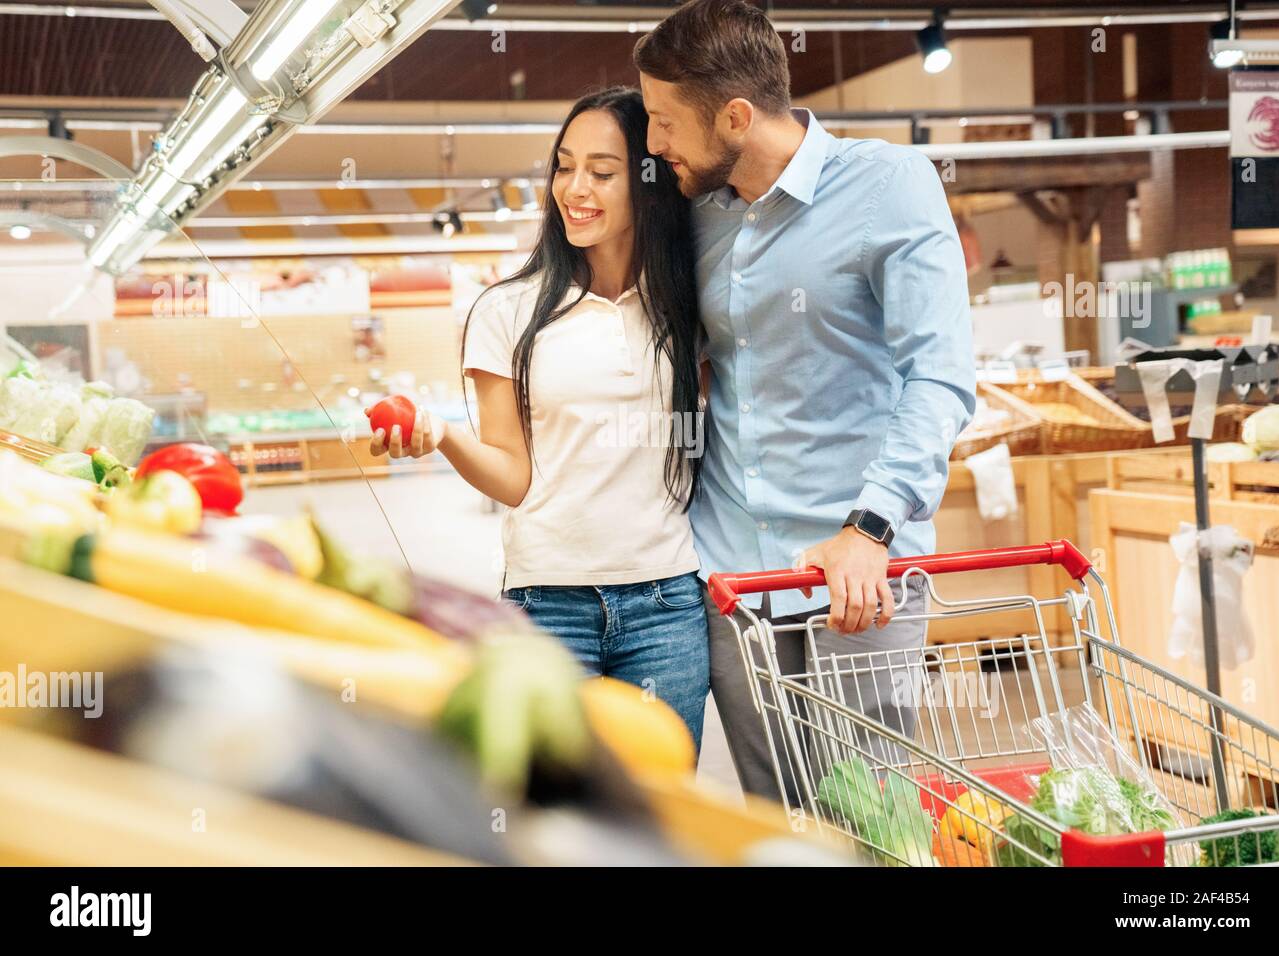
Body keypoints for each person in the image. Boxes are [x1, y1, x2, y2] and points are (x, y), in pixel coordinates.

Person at [635, 0, 976, 802]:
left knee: (873, 820)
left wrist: (870, 527)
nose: (653, 145)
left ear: (735, 118)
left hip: (857, 576)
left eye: (663, 122)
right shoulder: (693, 217)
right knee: (780, 823)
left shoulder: (887, 185)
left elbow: (941, 376)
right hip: (733, 580)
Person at [367, 87, 711, 752]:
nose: (575, 188)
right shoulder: (507, 311)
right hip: (549, 604)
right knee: (564, 811)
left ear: (649, 183)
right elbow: (516, 478)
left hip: (667, 606)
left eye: (602, 172)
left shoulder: (686, 306)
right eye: (563, 165)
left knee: (659, 811)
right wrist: (441, 435)